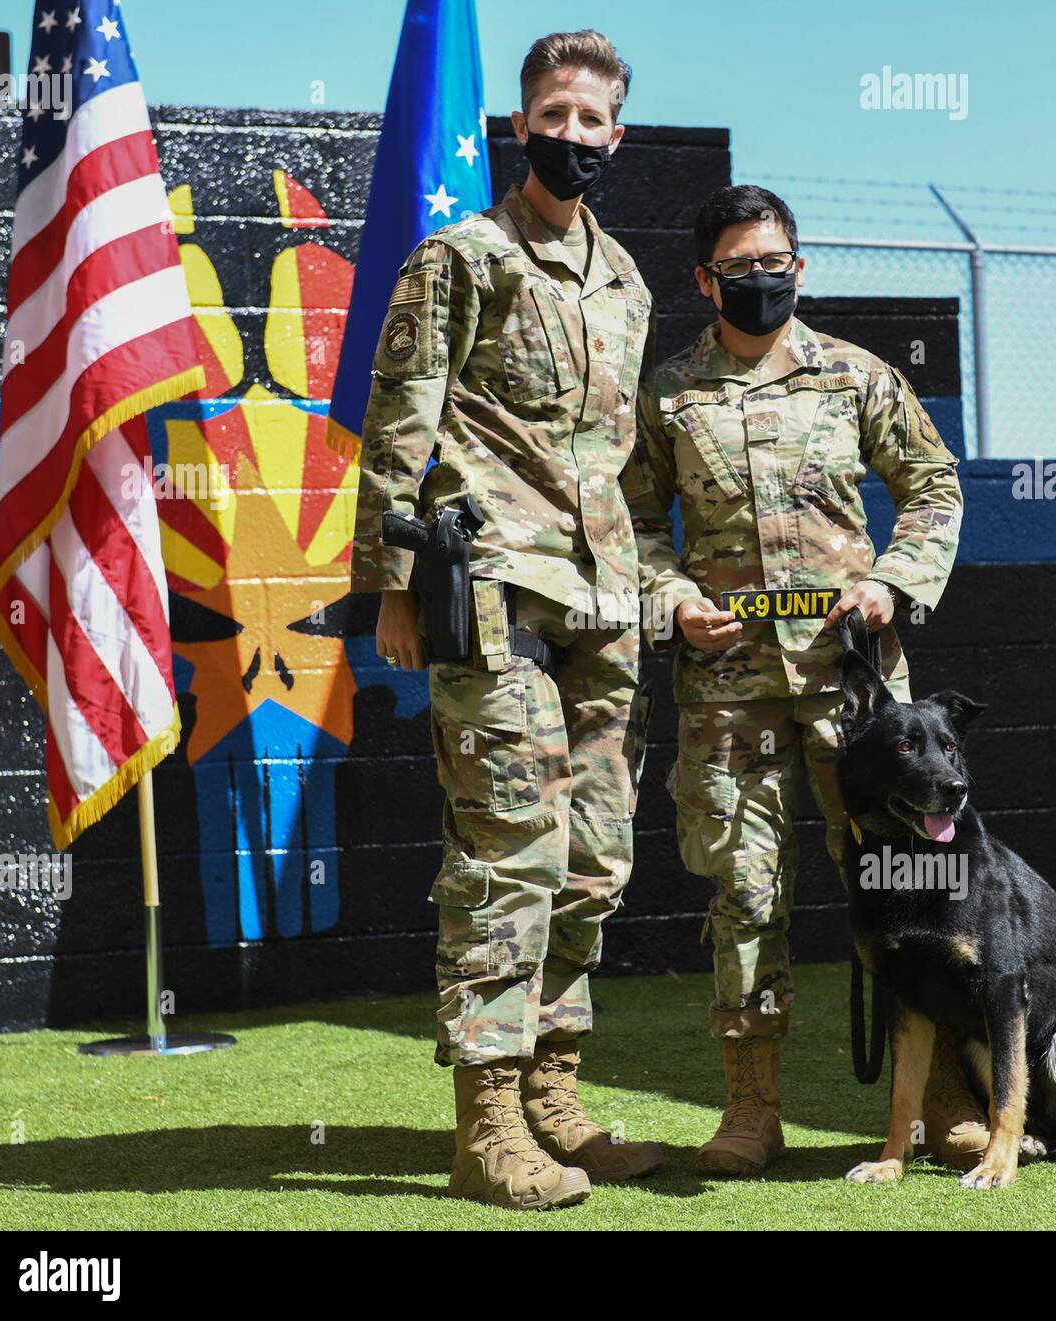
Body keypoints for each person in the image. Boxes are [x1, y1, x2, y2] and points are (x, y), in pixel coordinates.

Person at [351, 29, 661, 1211]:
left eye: (593, 119)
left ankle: (552, 1092)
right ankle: (485, 1121)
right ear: (517, 123)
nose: (572, 135)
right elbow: (401, 419)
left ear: (616, 135)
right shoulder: (460, 258)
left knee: (596, 858)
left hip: (604, 602)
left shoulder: (627, 281)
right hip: (488, 598)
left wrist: (650, 582)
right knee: (507, 854)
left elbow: (621, 457)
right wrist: (391, 585)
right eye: (554, 113)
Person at [620, 184, 964, 1176]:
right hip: (725, 689)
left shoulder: (855, 376)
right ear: (704, 277)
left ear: (799, 269)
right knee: (743, 889)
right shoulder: (669, 393)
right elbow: (631, 522)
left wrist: (895, 582)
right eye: (739, 267)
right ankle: (750, 1107)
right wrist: (672, 593)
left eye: (774, 264)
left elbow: (932, 483)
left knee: (905, 883)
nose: (759, 280)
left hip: (855, 692)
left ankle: (938, 1096)